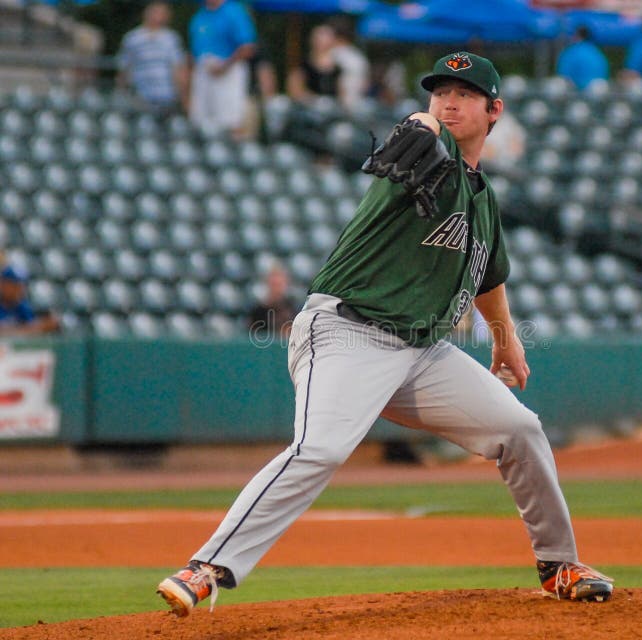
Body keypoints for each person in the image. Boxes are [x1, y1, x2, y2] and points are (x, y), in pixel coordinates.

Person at [157, 51, 613, 618]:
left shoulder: (484, 200)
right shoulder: (421, 156)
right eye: (440, 92)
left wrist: (506, 340)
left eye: (465, 94)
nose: (448, 101)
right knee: (319, 448)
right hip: (346, 331)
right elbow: (418, 130)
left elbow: (488, 275)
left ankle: (559, 564)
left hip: (420, 352)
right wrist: (420, 126)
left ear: (494, 110)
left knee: (520, 428)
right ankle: (207, 567)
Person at [187, 0, 256, 138]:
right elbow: (193, 50)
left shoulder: (234, 11)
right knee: (200, 120)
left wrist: (225, 66)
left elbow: (247, 47)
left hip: (228, 70)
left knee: (230, 121)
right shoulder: (200, 14)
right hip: (203, 71)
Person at [117, 1, 188, 114]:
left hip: (167, 97)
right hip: (140, 97)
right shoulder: (132, 38)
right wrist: (122, 93)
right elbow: (124, 68)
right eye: (156, 12)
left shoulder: (171, 38)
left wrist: (182, 95)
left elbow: (178, 68)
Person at [286, 24, 341, 103]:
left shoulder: (340, 67)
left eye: (325, 36)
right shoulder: (303, 65)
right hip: (307, 105)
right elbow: (294, 90)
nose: (320, 40)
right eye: (318, 37)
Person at [0, 266, 59, 336]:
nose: (20, 289)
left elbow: (31, 327)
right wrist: (39, 327)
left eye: (22, 285)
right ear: (2, 284)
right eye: (15, 285)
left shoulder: (22, 306)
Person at [247, 262, 300, 338]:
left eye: (279, 284)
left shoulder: (292, 309)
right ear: (267, 284)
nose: (277, 289)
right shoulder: (258, 312)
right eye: (274, 284)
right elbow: (253, 338)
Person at [328, 17, 370, 112]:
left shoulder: (334, 55)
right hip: (358, 104)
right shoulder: (359, 57)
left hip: (338, 105)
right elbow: (366, 84)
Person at [556, 26, 609, 91]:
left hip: (577, 92)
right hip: (597, 90)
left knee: (558, 84)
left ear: (577, 36)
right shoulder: (597, 52)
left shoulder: (572, 51)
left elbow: (564, 75)